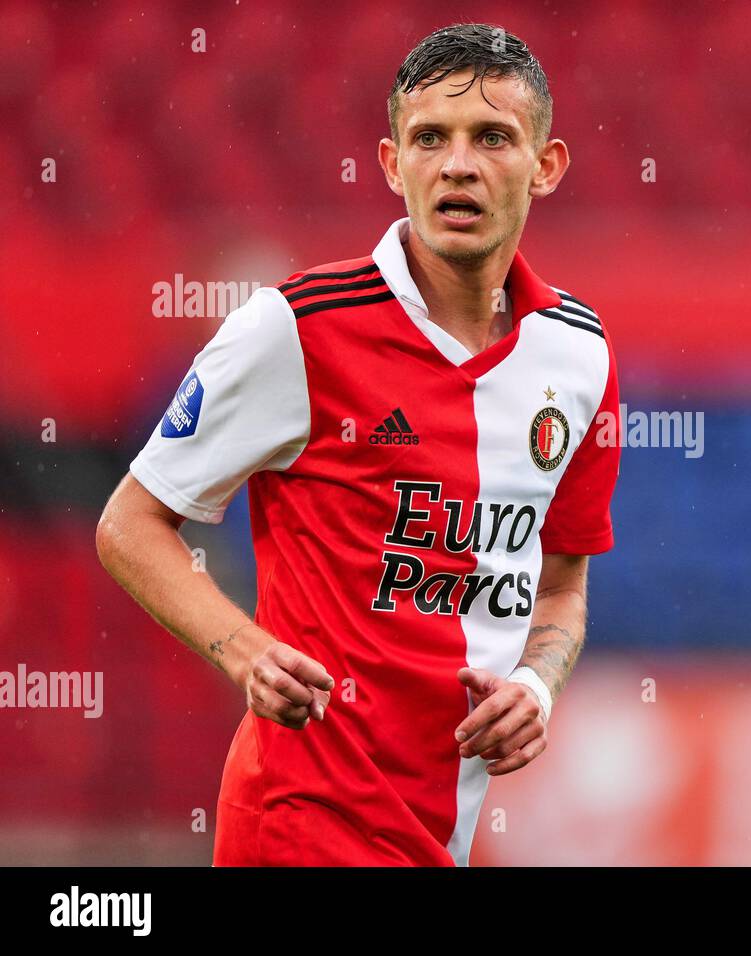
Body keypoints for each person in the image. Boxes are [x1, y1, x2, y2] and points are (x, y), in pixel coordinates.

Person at [95, 22, 620, 866]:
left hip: (436, 832)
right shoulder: (295, 329)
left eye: (492, 137)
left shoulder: (579, 353)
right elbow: (129, 523)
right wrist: (247, 653)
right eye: (429, 139)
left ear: (545, 165)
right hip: (303, 819)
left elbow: (563, 584)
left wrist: (536, 685)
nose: (458, 164)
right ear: (391, 164)